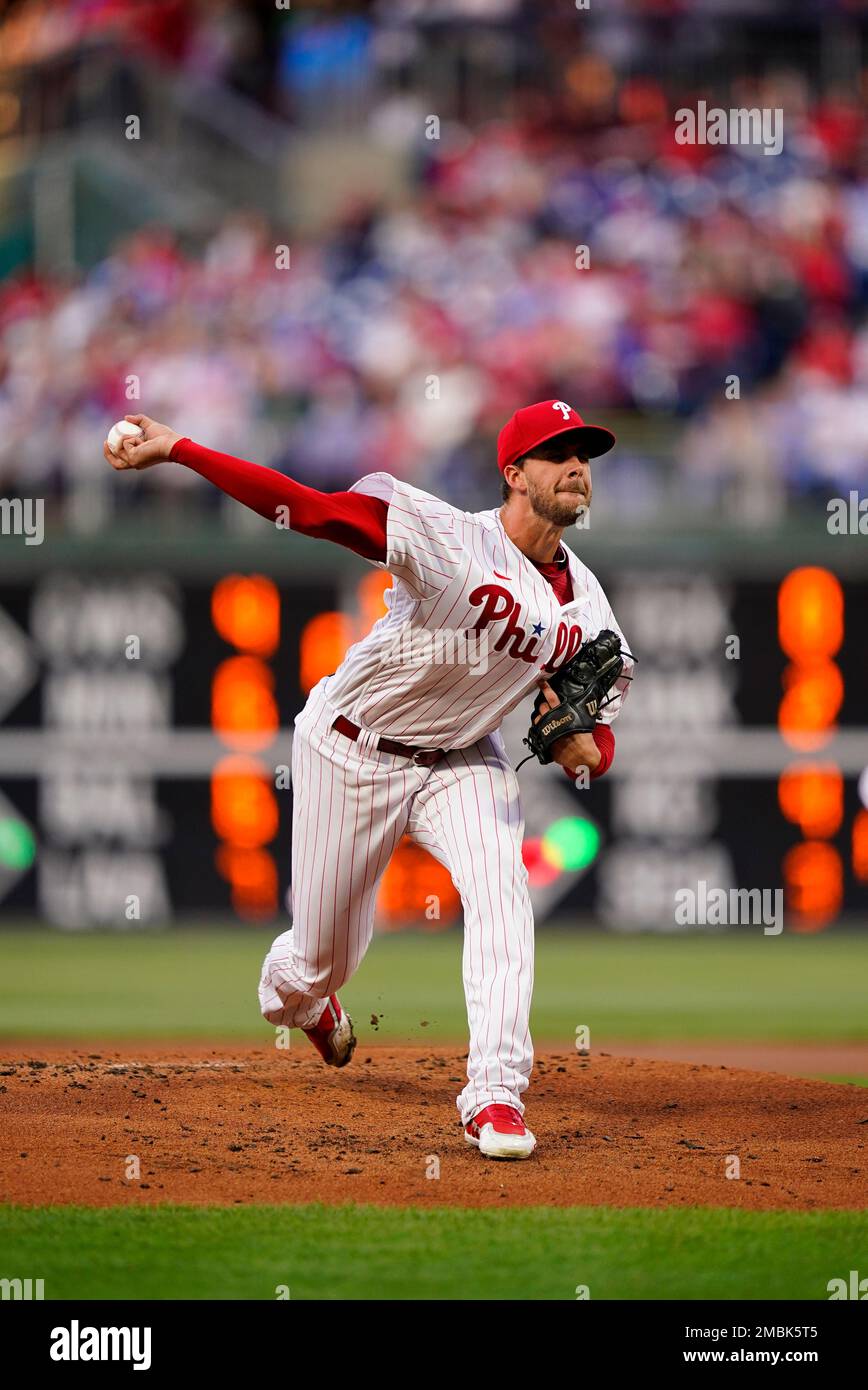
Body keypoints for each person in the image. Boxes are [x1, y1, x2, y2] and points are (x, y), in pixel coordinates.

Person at [105, 398, 633, 1160]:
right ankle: (302, 996)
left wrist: (589, 751)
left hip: (463, 758)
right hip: (354, 747)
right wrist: (184, 449)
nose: (578, 465)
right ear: (515, 473)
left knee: (502, 892)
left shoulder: (591, 608)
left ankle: (495, 1095)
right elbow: (310, 511)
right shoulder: (450, 539)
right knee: (321, 958)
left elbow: (600, 735)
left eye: (585, 453)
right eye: (558, 453)